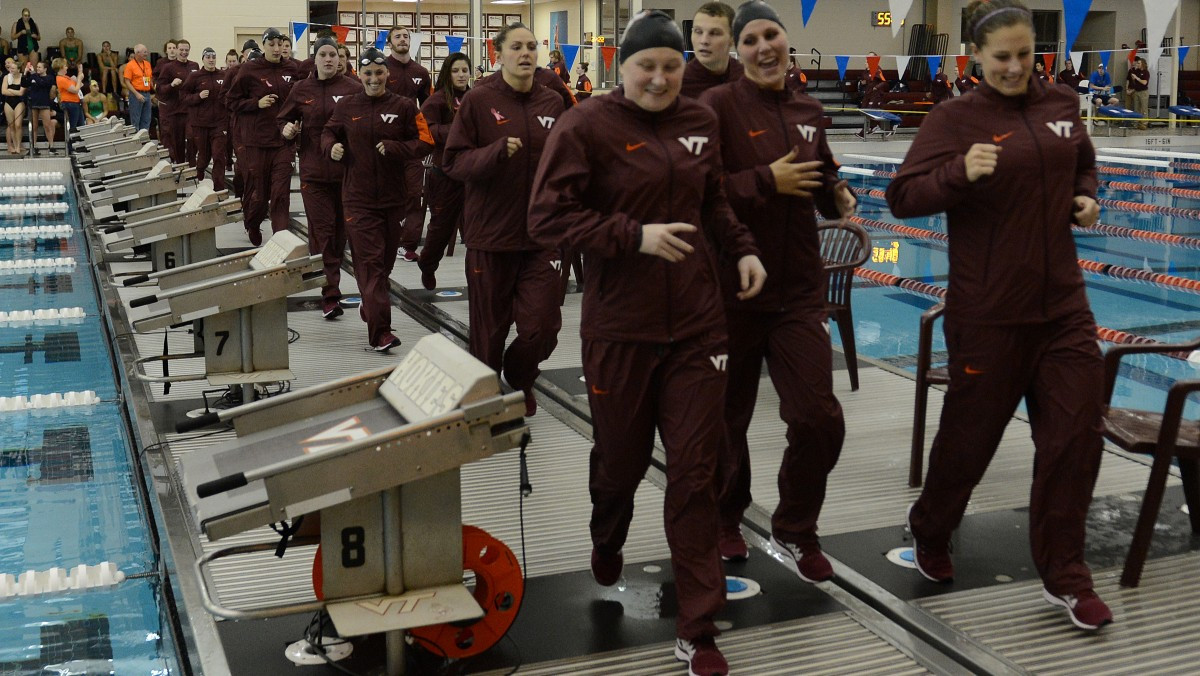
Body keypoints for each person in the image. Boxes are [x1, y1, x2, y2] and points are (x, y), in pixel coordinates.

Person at [528, 13, 766, 675]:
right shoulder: (585, 126)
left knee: (695, 473)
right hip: (620, 329)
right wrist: (633, 236)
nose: (660, 79)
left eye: (670, 67)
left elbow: (714, 201)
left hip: (697, 325)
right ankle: (608, 537)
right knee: (621, 465)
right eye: (646, 67)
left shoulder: (700, 121)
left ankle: (699, 626)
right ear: (621, 67)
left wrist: (742, 249)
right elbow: (546, 217)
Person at [885, 0, 1113, 632]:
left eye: (1025, 55)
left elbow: (1084, 162)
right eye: (1002, 57)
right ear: (977, 58)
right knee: (969, 441)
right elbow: (901, 197)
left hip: (1063, 308)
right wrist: (957, 173)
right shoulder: (955, 118)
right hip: (987, 313)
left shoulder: (1061, 104)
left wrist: (1086, 195)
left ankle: (1067, 576)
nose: (1015, 67)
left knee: (1075, 438)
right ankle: (931, 527)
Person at [699, 0, 854, 578]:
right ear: (737, 51)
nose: (764, 47)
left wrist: (835, 193)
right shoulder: (717, 107)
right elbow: (702, 190)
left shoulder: (809, 108)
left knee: (819, 418)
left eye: (772, 35)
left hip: (797, 292)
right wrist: (768, 180)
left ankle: (795, 526)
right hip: (731, 289)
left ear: (787, 41)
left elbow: (822, 172)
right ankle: (725, 516)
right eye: (751, 40)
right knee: (726, 421)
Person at [443, 22, 566, 418]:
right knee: (489, 335)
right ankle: (487, 398)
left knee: (542, 327)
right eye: (516, 47)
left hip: (542, 235)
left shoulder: (553, 102)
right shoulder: (479, 100)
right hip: (491, 235)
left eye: (531, 46)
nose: (526, 53)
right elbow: (453, 162)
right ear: (498, 54)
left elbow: (569, 160)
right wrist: (494, 153)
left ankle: (519, 376)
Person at [322, 46, 434, 352]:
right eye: (368, 73)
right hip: (357, 199)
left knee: (383, 265)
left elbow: (426, 141)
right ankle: (381, 332)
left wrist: (398, 149)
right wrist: (331, 148)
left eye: (379, 72)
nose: (374, 78)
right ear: (359, 74)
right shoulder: (347, 105)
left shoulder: (404, 106)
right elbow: (328, 133)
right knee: (370, 264)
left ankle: (369, 304)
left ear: (387, 74)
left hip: (393, 199)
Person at [277, 37, 361, 318]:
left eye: (333, 55)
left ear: (340, 59)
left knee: (341, 235)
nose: (328, 59)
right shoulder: (301, 89)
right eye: (323, 54)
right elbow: (282, 118)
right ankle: (330, 295)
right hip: (314, 175)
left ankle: (338, 279)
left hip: (346, 174)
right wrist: (286, 130)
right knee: (322, 234)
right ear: (314, 59)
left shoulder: (353, 88)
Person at [225, 28, 297, 245]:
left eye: (280, 44)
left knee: (280, 193)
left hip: (283, 142)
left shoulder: (292, 69)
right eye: (271, 44)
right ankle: (253, 223)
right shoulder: (249, 70)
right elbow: (231, 101)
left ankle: (280, 239)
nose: (276, 49)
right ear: (263, 46)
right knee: (259, 194)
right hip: (256, 142)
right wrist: (256, 103)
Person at [417, 52, 472, 291]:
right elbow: (427, 130)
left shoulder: (475, 98)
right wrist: (458, 130)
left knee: (476, 231)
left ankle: (478, 281)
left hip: (473, 173)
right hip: (445, 173)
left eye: (465, 70)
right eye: (456, 71)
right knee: (441, 228)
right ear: (447, 73)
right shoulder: (436, 101)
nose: (461, 75)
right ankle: (428, 263)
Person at [383, 27, 433, 263]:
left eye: (406, 36)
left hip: (412, 143)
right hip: (386, 142)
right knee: (388, 193)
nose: (403, 40)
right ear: (389, 42)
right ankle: (388, 237)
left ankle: (408, 244)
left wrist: (428, 136)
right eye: (398, 37)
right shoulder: (382, 68)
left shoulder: (420, 72)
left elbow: (429, 105)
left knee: (414, 194)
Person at [180, 47, 230, 189]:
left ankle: (219, 188)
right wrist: (198, 96)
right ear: (203, 59)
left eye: (213, 57)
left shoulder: (223, 75)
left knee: (219, 155)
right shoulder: (195, 77)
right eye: (208, 57)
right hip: (201, 124)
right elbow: (183, 97)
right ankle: (200, 171)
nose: (211, 60)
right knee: (204, 157)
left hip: (220, 124)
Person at [683, 2, 744, 98]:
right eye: (698, 32)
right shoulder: (679, 84)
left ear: (733, 39)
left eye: (714, 33)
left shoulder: (746, 78)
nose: (704, 41)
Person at [157, 39, 198, 164]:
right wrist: (171, 85)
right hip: (175, 112)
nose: (184, 52)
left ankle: (192, 164)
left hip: (190, 110)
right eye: (181, 50)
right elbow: (160, 89)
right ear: (176, 50)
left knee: (192, 138)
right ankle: (181, 165)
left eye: (186, 50)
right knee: (178, 143)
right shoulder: (168, 67)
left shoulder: (194, 66)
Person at [23, 59, 54, 154]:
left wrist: (33, 73)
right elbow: (24, 84)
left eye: (40, 67)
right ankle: (34, 146)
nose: (37, 68)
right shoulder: (34, 76)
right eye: (37, 67)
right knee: (34, 126)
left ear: (45, 69)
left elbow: (42, 83)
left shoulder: (49, 78)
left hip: (44, 103)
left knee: (47, 125)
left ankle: (51, 146)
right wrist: (25, 73)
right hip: (34, 104)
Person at [155, 40, 179, 155]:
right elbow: (154, 77)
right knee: (166, 129)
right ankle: (168, 154)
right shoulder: (161, 63)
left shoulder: (181, 63)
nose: (172, 50)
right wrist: (155, 88)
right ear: (166, 50)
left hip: (178, 101)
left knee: (177, 130)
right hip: (165, 100)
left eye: (174, 48)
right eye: (169, 48)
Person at [53, 58, 83, 141]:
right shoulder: (61, 79)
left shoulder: (66, 77)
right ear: (61, 67)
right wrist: (79, 79)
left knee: (81, 125)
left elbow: (79, 84)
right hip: (70, 103)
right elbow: (75, 90)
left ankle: (80, 144)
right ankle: (71, 145)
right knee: (73, 126)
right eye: (65, 66)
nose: (67, 67)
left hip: (76, 102)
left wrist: (80, 71)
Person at [3, 58, 25, 155]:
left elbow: (21, 93)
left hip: (19, 102)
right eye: (10, 68)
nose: (11, 70)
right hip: (8, 103)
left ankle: (18, 146)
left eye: (13, 68)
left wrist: (10, 90)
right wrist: (15, 92)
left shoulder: (23, 78)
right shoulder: (6, 77)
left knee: (18, 125)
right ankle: (15, 146)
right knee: (11, 125)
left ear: (18, 70)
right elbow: (3, 91)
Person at [1126, 56, 1149, 130]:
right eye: (1137, 63)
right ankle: (1136, 122)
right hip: (1136, 91)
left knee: (1144, 108)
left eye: (1139, 63)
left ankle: (1144, 123)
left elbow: (1144, 82)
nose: (1137, 64)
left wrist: (1137, 78)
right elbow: (1132, 80)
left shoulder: (1146, 72)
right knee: (1136, 108)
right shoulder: (1137, 71)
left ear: (1142, 64)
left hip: (1143, 92)